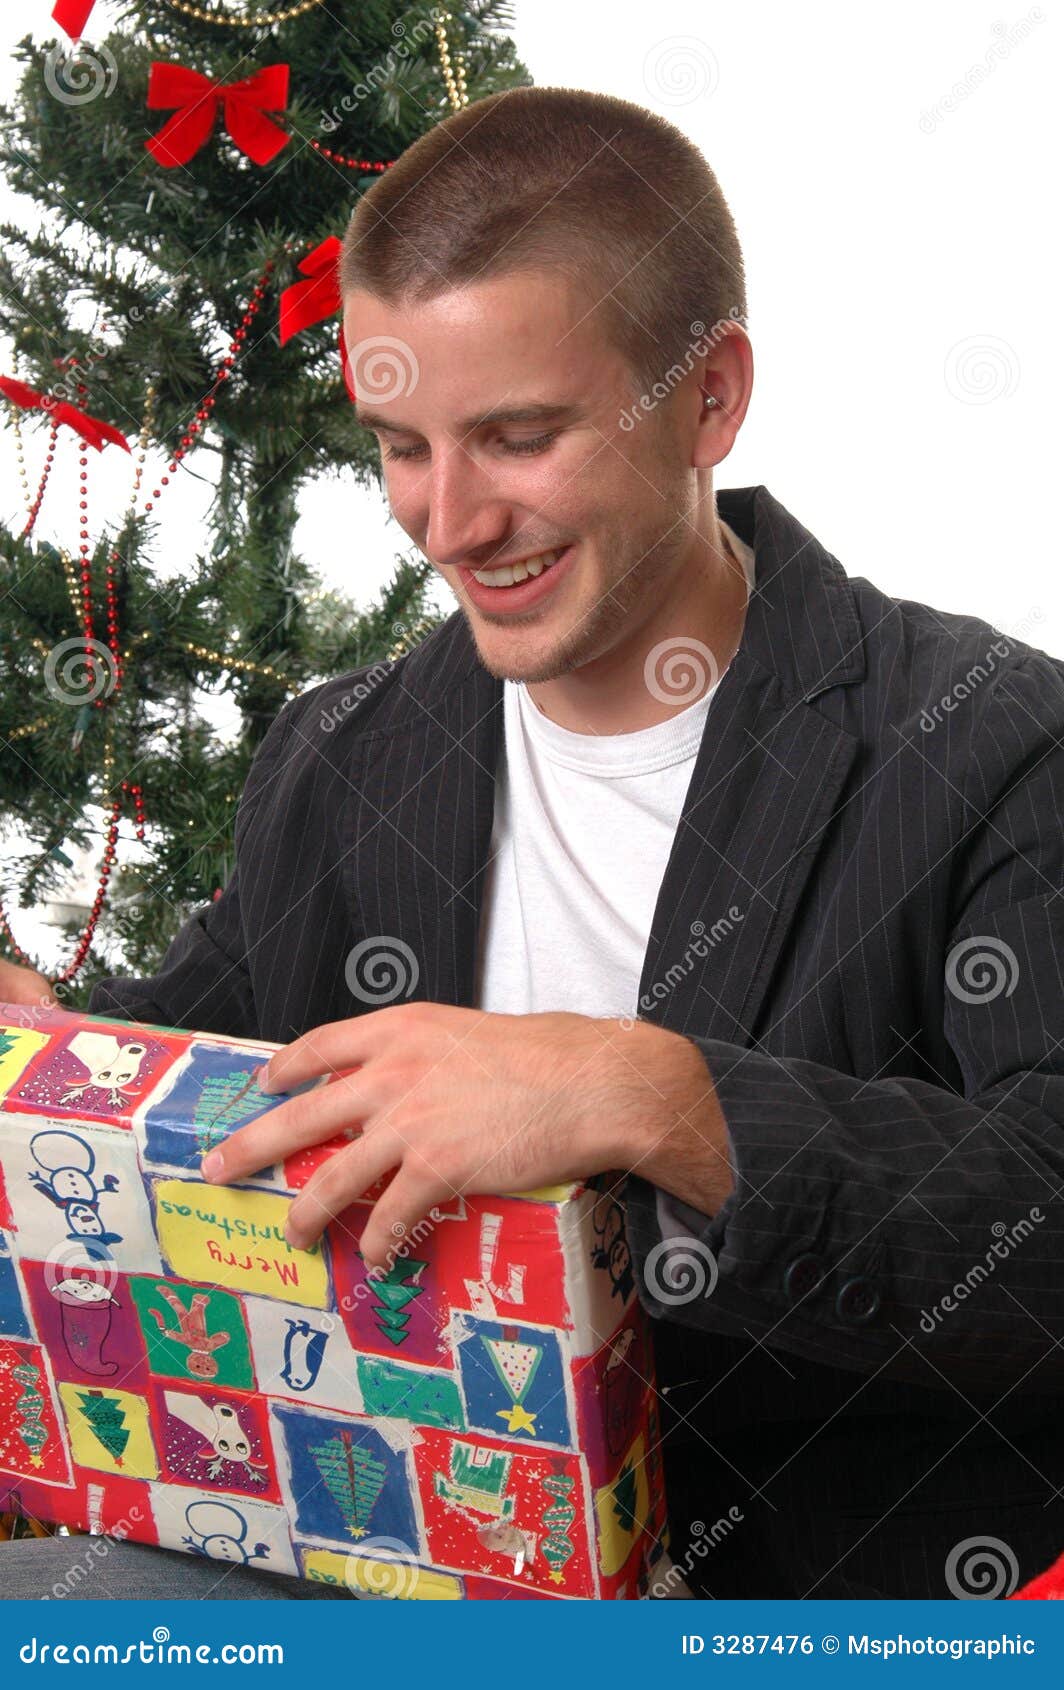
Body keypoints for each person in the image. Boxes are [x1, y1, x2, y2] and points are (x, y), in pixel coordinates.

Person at [3, 84, 1064, 1602]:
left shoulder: (992, 738)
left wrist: (652, 1092)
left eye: (516, 437)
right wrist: (46, 1053)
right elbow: (188, 1081)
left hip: (817, 1592)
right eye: (401, 446)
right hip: (386, 1567)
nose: (446, 521)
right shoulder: (339, 754)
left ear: (707, 396)